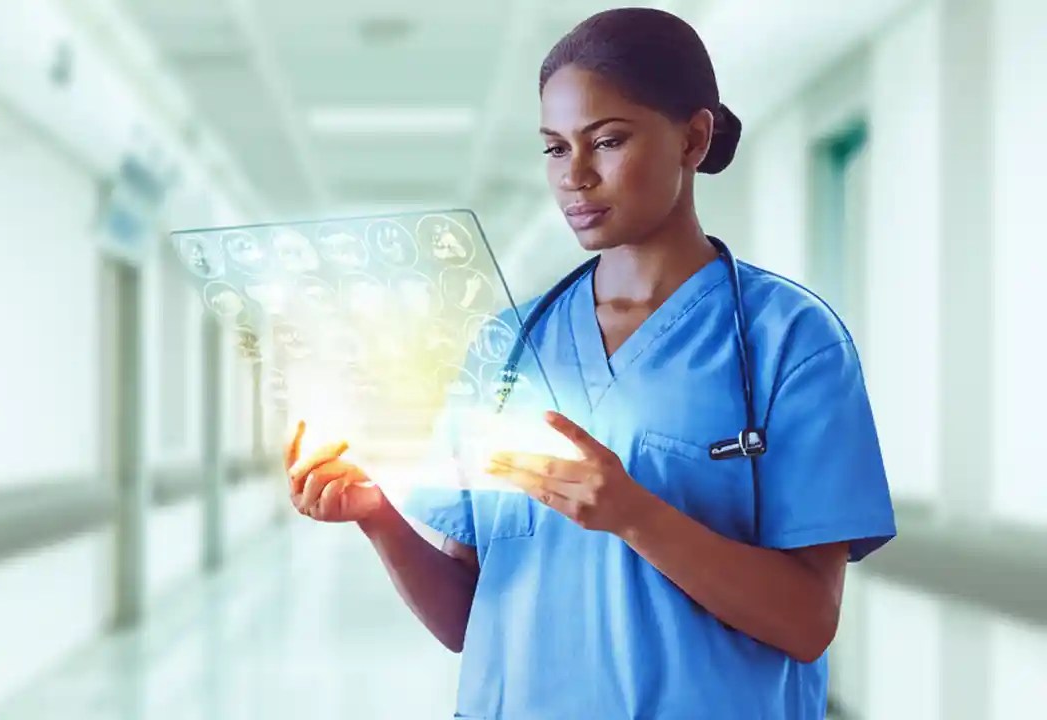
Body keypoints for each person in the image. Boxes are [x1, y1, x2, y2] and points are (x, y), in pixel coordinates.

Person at [281, 8, 896, 719]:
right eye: (554, 148)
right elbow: (467, 621)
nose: (574, 176)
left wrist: (634, 515)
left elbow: (809, 622)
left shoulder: (790, 340)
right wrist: (377, 517)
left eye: (607, 141)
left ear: (693, 138)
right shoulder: (508, 347)